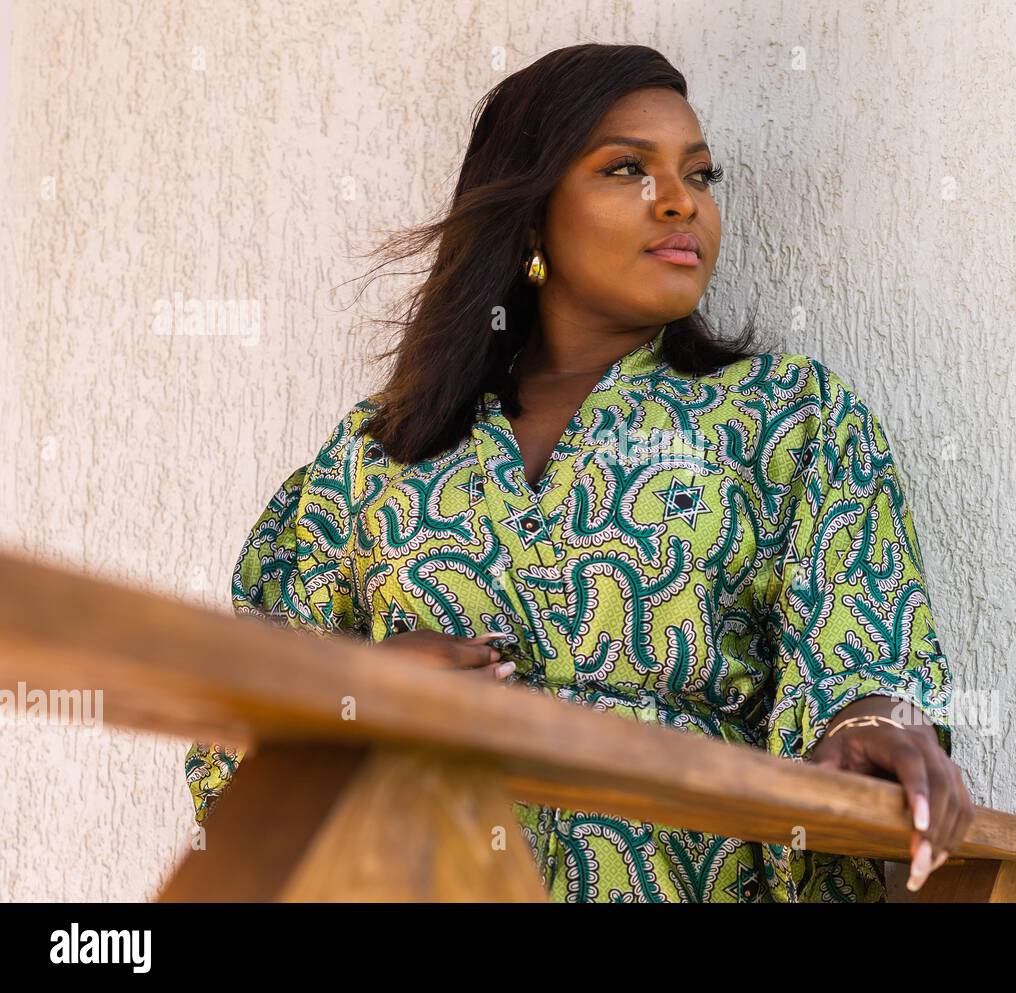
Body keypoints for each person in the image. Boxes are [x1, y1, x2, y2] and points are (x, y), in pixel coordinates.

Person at [185, 42, 972, 903]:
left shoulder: (790, 418)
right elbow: (238, 732)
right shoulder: (375, 458)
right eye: (628, 168)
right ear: (531, 216)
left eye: (702, 176)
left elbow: (864, 666)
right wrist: (356, 698)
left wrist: (880, 724)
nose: (679, 201)